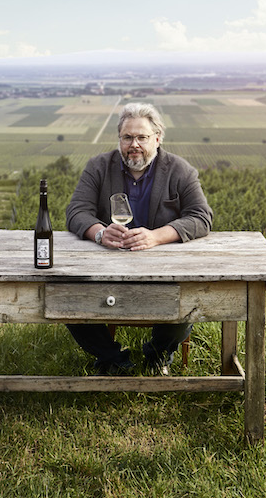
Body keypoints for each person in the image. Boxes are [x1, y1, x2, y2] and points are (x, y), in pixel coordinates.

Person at [65, 102, 214, 375]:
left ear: (157, 139)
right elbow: (76, 212)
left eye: (142, 137)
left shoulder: (180, 170)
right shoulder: (98, 166)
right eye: (127, 137)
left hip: (162, 269)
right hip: (106, 267)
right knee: (67, 296)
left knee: (186, 301)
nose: (135, 144)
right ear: (120, 140)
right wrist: (99, 232)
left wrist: (156, 237)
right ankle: (112, 359)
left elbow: (201, 216)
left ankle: (157, 356)